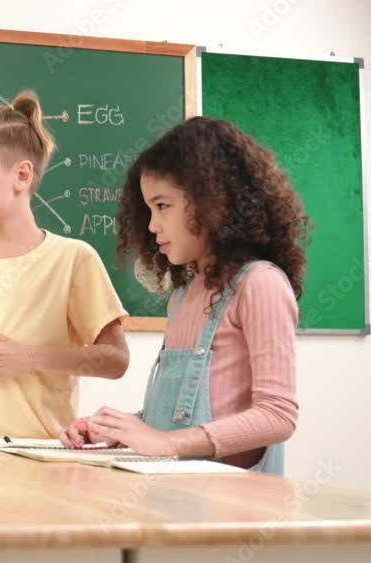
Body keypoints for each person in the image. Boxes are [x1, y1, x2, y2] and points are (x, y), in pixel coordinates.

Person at [60, 116, 309, 474]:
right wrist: (121, 429)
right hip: (178, 499)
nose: (151, 225)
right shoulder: (182, 296)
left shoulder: (260, 284)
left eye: (162, 206)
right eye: (147, 210)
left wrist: (164, 442)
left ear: (214, 201)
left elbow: (277, 415)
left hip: (237, 513)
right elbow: (181, 418)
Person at [0, 90, 130, 440]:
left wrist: (28, 358)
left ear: (21, 175)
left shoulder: (73, 259)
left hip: (42, 455)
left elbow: (116, 360)